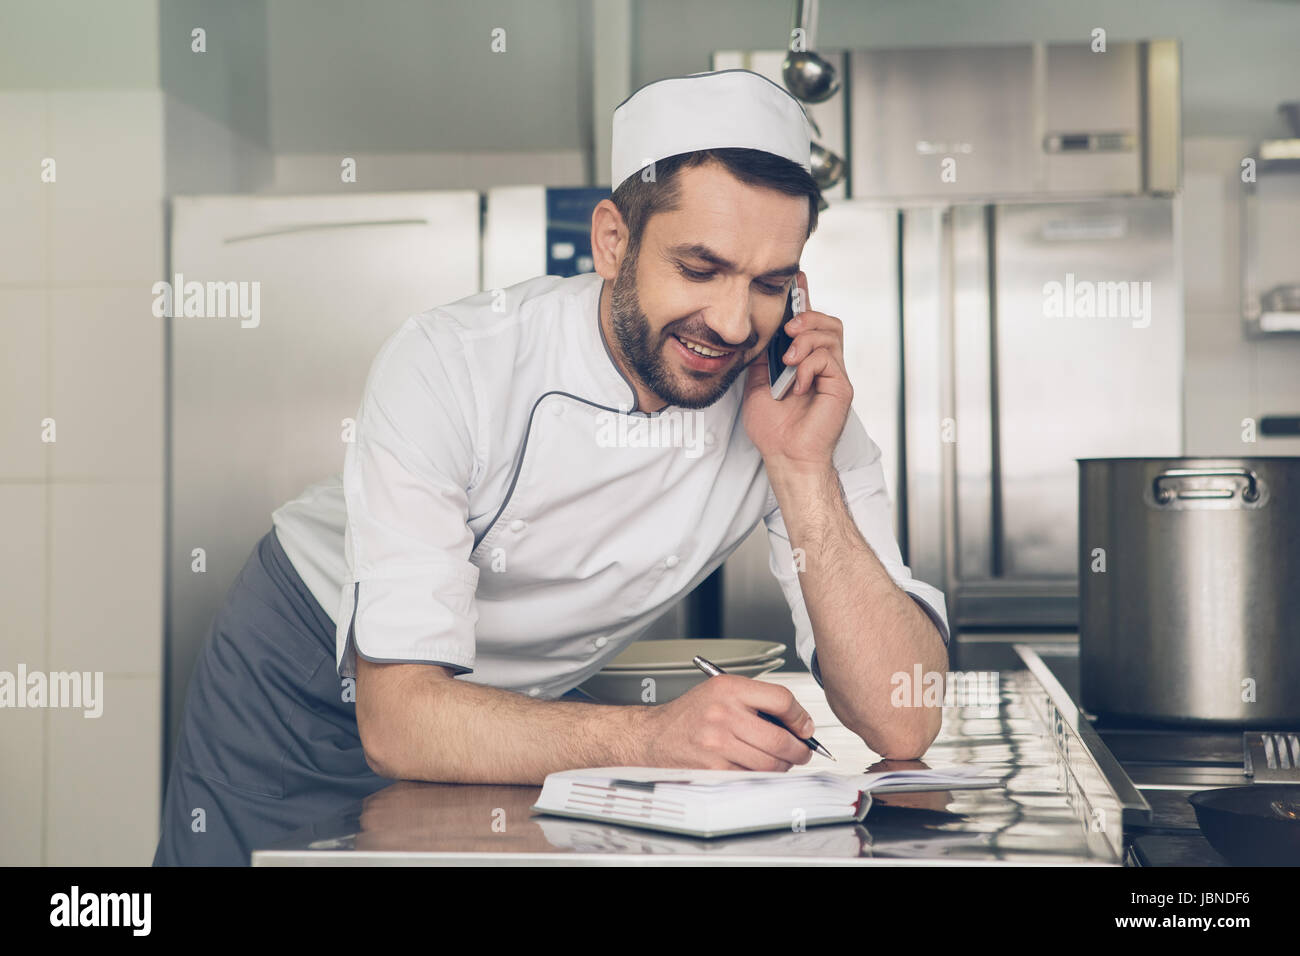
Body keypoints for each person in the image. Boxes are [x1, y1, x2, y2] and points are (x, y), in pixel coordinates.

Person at [153, 69, 950, 866]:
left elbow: (901, 720)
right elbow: (398, 720)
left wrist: (801, 469)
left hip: (513, 715)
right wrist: (652, 737)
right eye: (700, 270)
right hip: (299, 678)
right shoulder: (453, 362)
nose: (735, 321)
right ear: (613, 241)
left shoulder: (802, 408)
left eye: (771, 284)